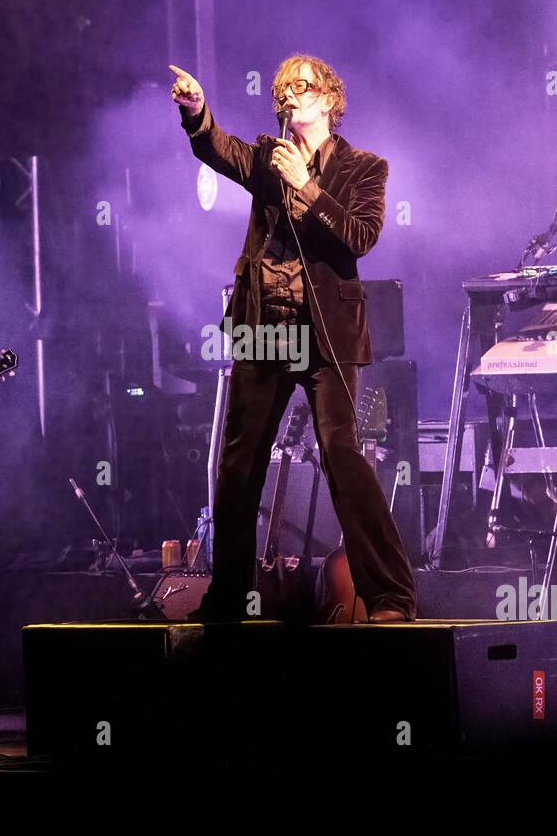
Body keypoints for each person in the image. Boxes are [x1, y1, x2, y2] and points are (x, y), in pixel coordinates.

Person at [169, 55, 416, 622]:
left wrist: (306, 186)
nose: (291, 96)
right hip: (265, 327)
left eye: (304, 87)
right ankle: (227, 598)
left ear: (330, 98)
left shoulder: (364, 167)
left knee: (342, 454)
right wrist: (198, 113)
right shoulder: (266, 157)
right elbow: (218, 149)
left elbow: (360, 237)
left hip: (326, 330)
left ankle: (391, 596)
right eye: (284, 89)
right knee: (239, 464)